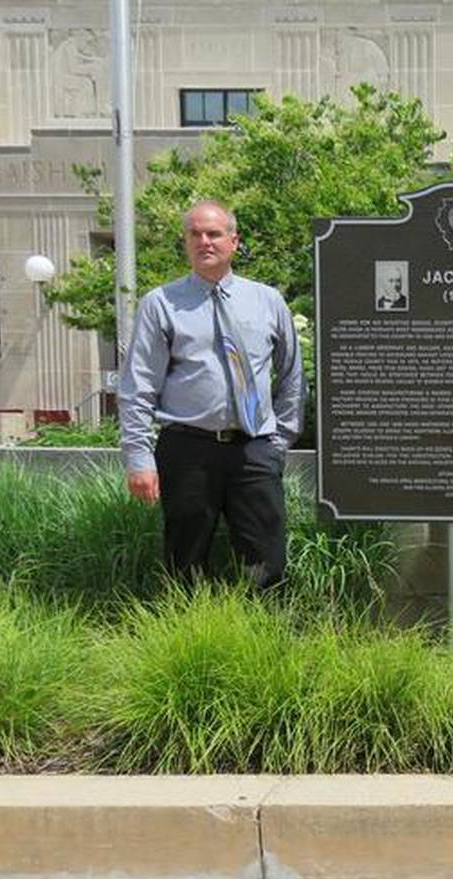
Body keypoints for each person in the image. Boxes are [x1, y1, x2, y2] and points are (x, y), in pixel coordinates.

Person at [119, 199, 305, 589]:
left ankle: (263, 641)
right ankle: (189, 638)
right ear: (186, 242)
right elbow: (139, 385)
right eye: (195, 234)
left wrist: (279, 440)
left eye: (214, 234)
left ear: (233, 241)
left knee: (267, 560)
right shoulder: (160, 304)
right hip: (188, 449)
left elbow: (291, 374)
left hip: (254, 448)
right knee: (184, 559)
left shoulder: (267, 301)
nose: (204, 241)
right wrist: (138, 457)